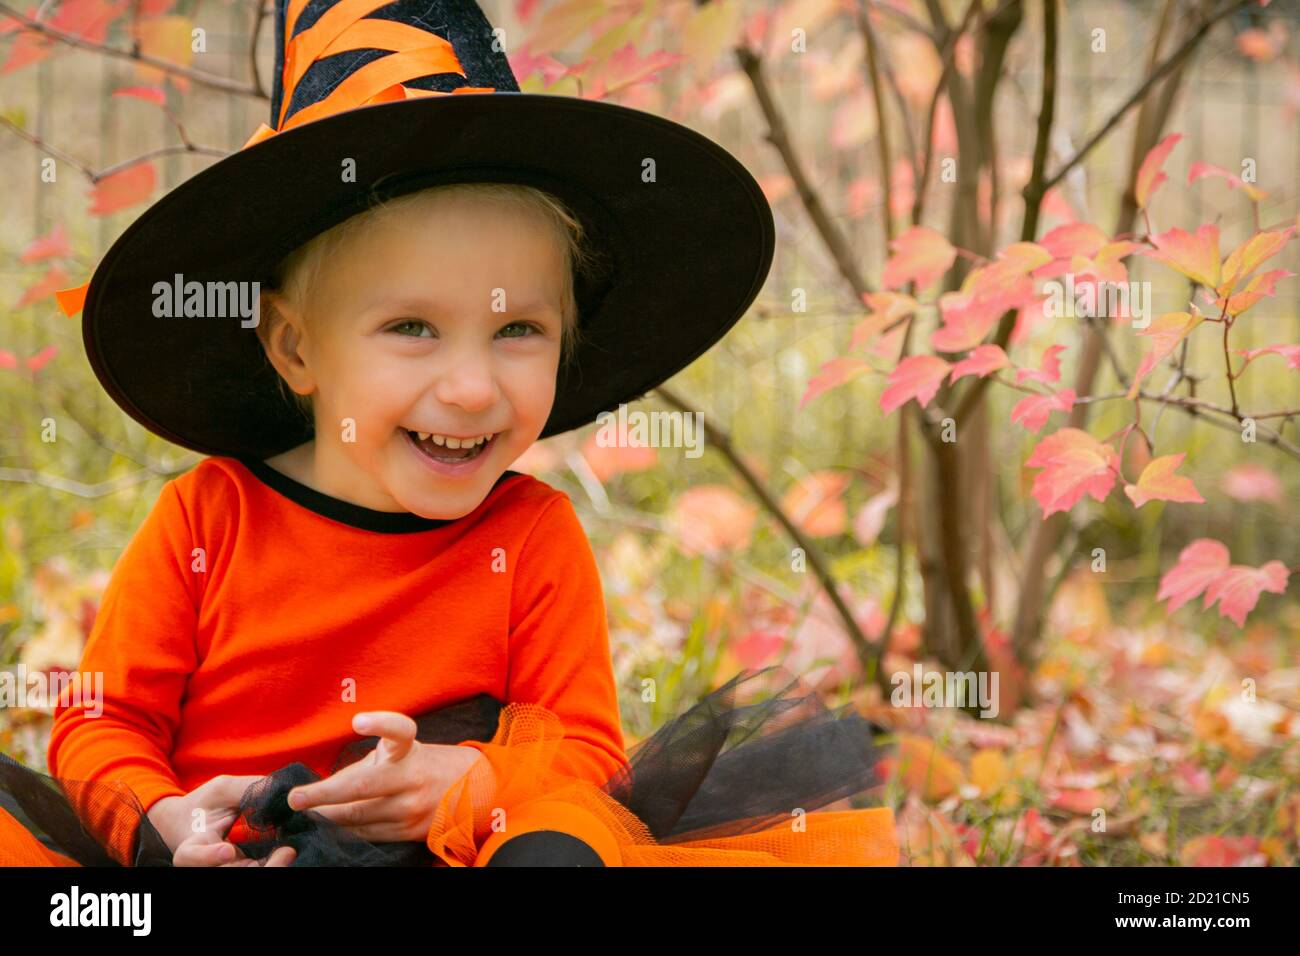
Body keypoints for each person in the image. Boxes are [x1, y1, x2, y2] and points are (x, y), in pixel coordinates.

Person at [0, 0, 898, 868]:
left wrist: (468, 781)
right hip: (235, 853)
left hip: (451, 851)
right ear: (294, 346)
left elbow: (585, 750)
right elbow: (103, 720)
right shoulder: (208, 521)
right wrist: (164, 823)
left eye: (518, 332)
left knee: (570, 830)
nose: (472, 389)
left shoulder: (532, 537)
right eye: (412, 329)